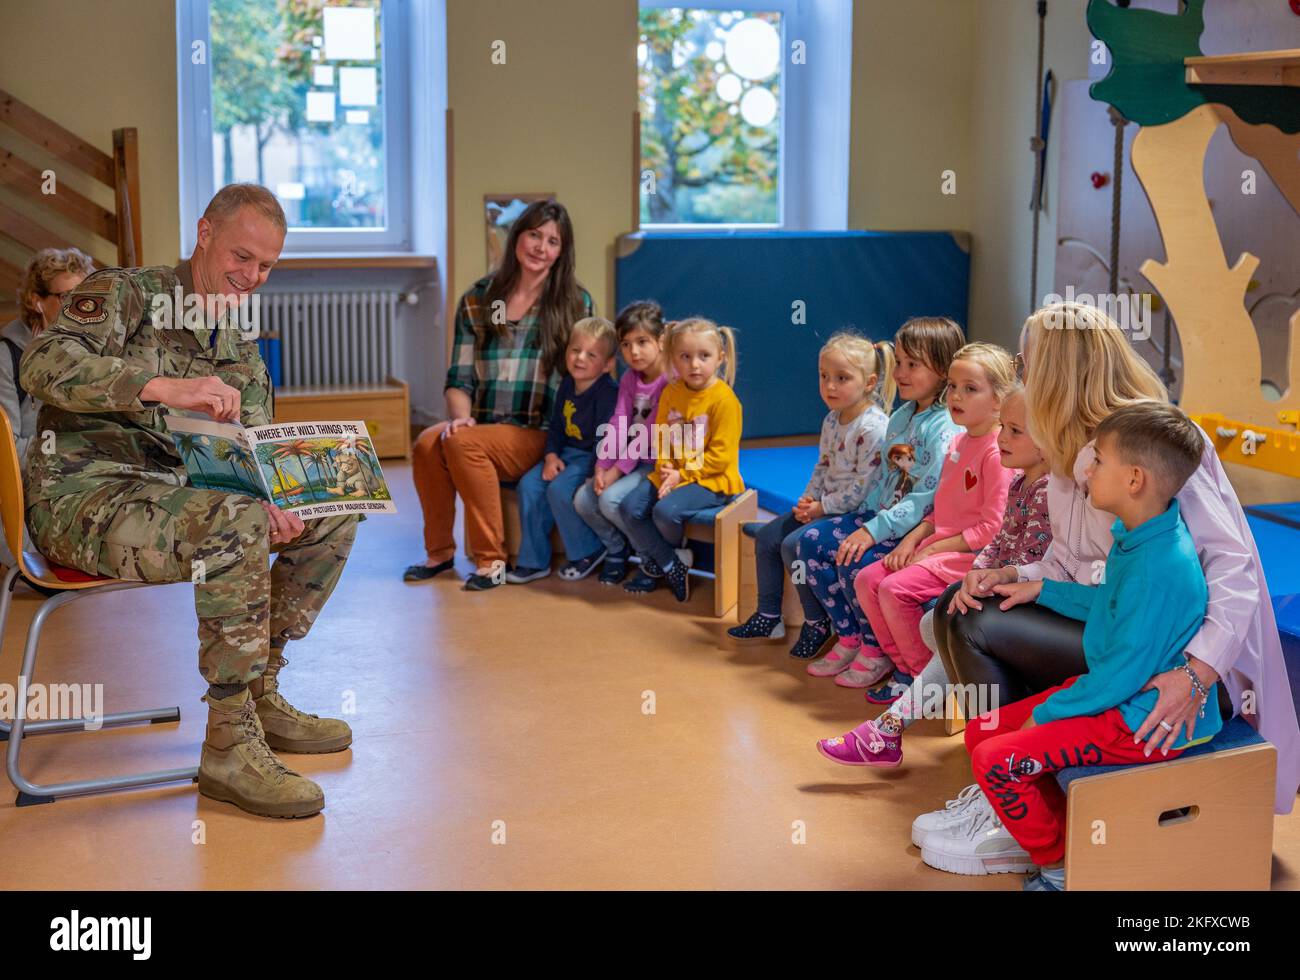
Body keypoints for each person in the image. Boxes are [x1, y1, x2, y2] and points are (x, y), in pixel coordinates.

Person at [916, 301, 1300, 871]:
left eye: (1028, 360)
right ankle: (1009, 785)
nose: (1021, 373)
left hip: (1182, 662)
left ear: (1060, 371)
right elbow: (1068, 559)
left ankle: (1017, 802)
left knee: (976, 622)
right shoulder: (1076, 445)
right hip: (1115, 621)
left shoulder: (1147, 443)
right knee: (964, 602)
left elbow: (1234, 570)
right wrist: (1015, 577)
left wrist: (1197, 674)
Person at [20, 184, 358, 820]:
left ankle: (259, 690)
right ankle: (228, 745)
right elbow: (40, 364)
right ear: (204, 233)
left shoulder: (238, 343)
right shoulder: (123, 293)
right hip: (81, 498)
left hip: (177, 501)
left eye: (265, 267)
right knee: (233, 522)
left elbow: (252, 445)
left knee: (331, 511)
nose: (251, 277)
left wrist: (278, 496)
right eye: (241, 256)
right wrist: (158, 386)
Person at [927, 403, 1217, 891]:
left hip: (1139, 720)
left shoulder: (1158, 565)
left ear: (1134, 480)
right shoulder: (1140, 535)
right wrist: (1044, 590)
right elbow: (1108, 603)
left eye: (1099, 460)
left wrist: (1048, 713)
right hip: (1114, 695)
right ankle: (1059, 833)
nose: (1087, 468)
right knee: (982, 731)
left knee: (996, 760)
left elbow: (1122, 674)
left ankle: (1058, 868)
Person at [817, 383, 1050, 767]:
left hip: (1028, 596)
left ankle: (890, 729)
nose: (1001, 437)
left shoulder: (1043, 489)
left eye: (1014, 431)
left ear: (1046, 441)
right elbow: (999, 544)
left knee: (952, 625)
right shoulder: (1022, 480)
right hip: (997, 582)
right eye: (1003, 427)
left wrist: (990, 576)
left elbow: (1029, 558)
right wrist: (980, 572)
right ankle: (901, 725)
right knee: (932, 625)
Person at [406, 200, 593, 590]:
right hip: (486, 428)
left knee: (464, 445)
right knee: (427, 443)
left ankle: (491, 561)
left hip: (542, 433)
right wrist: (460, 418)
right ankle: (439, 553)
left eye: (553, 241)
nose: (541, 247)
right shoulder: (481, 299)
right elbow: (460, 374)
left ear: (562, 252)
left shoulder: (575, 303)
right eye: (534, 235)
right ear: (517, 238)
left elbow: (580, 381)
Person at [791, 317, 963, 666]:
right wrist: (861, 518)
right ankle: (850, 636)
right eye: (899, 362)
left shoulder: (944, 427)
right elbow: (884, 479)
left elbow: (923, 499)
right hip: (878, 516)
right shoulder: (901, 416)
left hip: (905, 529)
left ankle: (875, 649)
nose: (900, 372)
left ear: (943, 370)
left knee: (855, 564)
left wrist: (872, 531)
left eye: (913, 365)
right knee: (808, 542)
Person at [727, 332, 892, 641]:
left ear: (869, 383)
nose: (830, 386)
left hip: (857, 514)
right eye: (824, 376)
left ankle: (817, 622)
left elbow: (862, 489)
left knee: (793, 544)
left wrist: (822, 508)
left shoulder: (873, 427)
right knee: (767, 537)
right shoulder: (832, 419)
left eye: (841, 378)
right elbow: (823, 465)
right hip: (825, 506)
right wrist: (808, 498)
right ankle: (768, 616)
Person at [619, 317, 743, 603]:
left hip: (712, 480)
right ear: (673, 359)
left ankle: (665, 558)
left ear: (720, 358)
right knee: (629, 508)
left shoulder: (725, 401)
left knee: (665, 511)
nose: (694, 365)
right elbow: (661, 434)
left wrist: (681, 475)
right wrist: (665, 465)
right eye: (685, 357)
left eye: (704, 356)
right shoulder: (672, 391)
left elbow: (720, 458)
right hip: (673, 473)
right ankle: (672, 563)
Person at [1, 247, 95, 570]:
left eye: (85, 297)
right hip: (26, 497)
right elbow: (6, 450)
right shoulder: (7, 355)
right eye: (66, 297)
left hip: (80, 485)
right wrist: (68, 453)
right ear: (37, 301)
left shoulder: (92, 353)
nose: (79, 308)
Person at [506, 316, 619, 583]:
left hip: (592, 458)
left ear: (607, 365)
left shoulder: (608, 393)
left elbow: (606, 439)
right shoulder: (567, 384)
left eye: (591, 354)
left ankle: (587, 551)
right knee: (529, 485)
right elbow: (556, 426)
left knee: (559, 490)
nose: (580, 358)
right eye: (575, 350)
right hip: (565, 454)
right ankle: (534, 561)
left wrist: (595, 471)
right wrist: (550, 456)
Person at [573, 301, 670, 586]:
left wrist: (617, 471)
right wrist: (603, 465)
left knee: (611, 499)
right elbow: (618, 422)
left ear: (661, 341)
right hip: (631, 459)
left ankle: (650, 559)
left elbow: (650, 432)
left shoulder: (670, 380)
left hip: (656, 462)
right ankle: (617, 549)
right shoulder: (630, 378)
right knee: (583, 499)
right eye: (626, 345)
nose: (634, 352)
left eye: (642, 342)